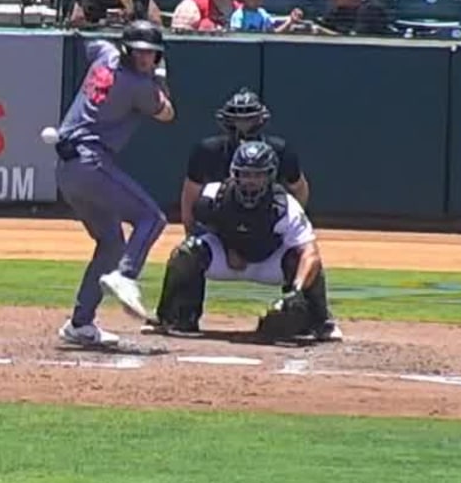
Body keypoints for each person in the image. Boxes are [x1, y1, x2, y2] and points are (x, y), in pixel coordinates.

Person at [53, 20, 176, 348]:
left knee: (111, 243)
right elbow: (167, 112)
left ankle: (80, 323)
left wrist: (123, 27)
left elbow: (90, 42)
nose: (146, 59)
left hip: (67, 170)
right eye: (140, 53)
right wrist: (159, 74)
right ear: (128, 50)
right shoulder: (138, 85)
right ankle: (126, 275)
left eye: (151, 54)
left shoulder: (104, 52)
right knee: (152, 218)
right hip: (90, 163)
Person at [144, 141, 343, 342]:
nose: (251, 181)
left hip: (269, 262)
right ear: (234, 173)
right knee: (187, 253)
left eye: (258, 175)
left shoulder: (286, 207)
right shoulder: (213, 197)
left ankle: (320, 321)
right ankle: (175, 318)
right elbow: (200, 232)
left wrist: (296, 290)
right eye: (246, 174)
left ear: (270, 175)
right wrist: (230, 247)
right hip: (227, 261)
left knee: (301, 262)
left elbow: (310, 253)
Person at [181, 87, 308, 235]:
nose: (242, 125)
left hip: (265, 220)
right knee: (189, 254)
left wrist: (292, 222)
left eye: (248, 119)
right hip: (221, 221)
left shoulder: (280, 150)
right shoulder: (208, 150)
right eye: (237, 119)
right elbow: (190, 194)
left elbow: (299, 188)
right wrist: (190, 231)